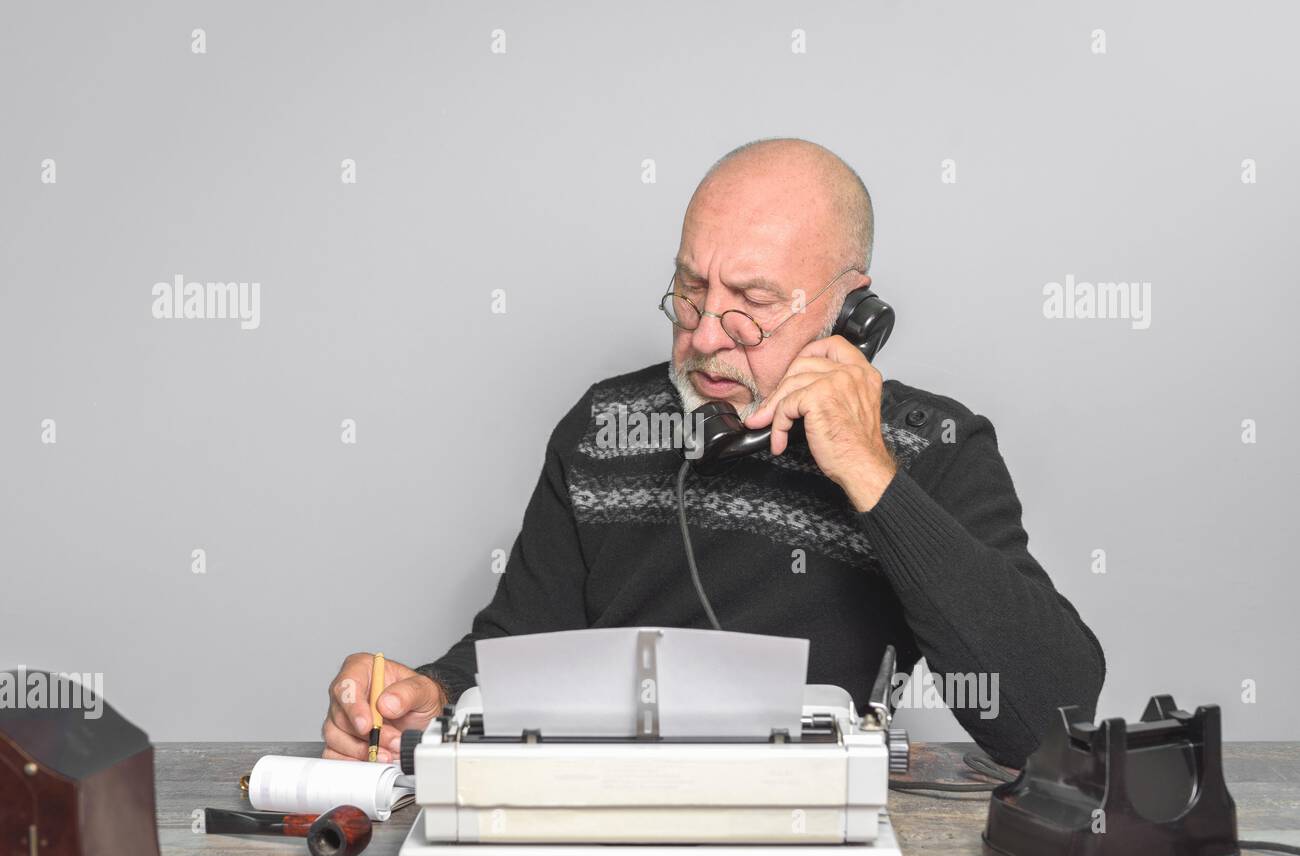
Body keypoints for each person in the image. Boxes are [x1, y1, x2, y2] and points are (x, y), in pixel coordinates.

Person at [322, 138, 1104, 769]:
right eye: (691, 291)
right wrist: (435, 693)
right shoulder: (603, 426)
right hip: (598, 815)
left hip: (807, 822)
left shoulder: (933, 447)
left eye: (752, 306)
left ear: (850, 312)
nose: (700, 338)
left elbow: (1045, 720)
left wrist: (869, 473)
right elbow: (517, 651)